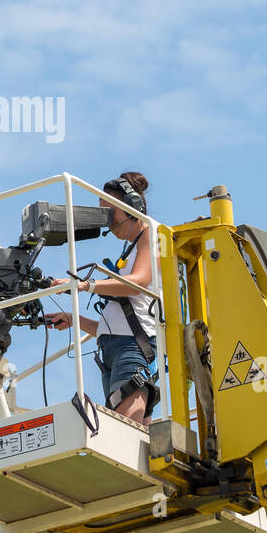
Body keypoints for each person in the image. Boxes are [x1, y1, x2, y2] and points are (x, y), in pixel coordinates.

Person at [45, 172, 160, 426]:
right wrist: (74, 319)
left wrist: (88, 285)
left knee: (127, 429)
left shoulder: (152, 235)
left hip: (133, 349)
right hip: (114, 349)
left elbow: (138, 282)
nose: (108, 222)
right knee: (134, 434)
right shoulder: (129, 250)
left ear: (132, 207)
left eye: (110, 212)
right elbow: (114, 327)